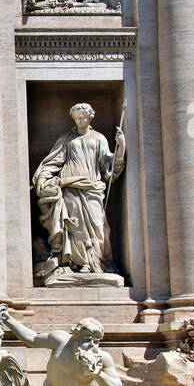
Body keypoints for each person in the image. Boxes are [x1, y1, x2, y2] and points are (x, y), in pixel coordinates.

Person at [32, 102, 124, 278]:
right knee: (75, 226)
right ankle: (79, 264)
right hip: (70, 188)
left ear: (90, 117)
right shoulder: (67, 139)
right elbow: (54, 161)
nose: (80, 120)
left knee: (98, 225)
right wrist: (43, 178)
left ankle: (97, 262)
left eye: (83, 117)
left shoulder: (99, 139)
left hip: (92, 188)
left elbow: (110, 169)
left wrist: (120, 147)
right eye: (77, 118)